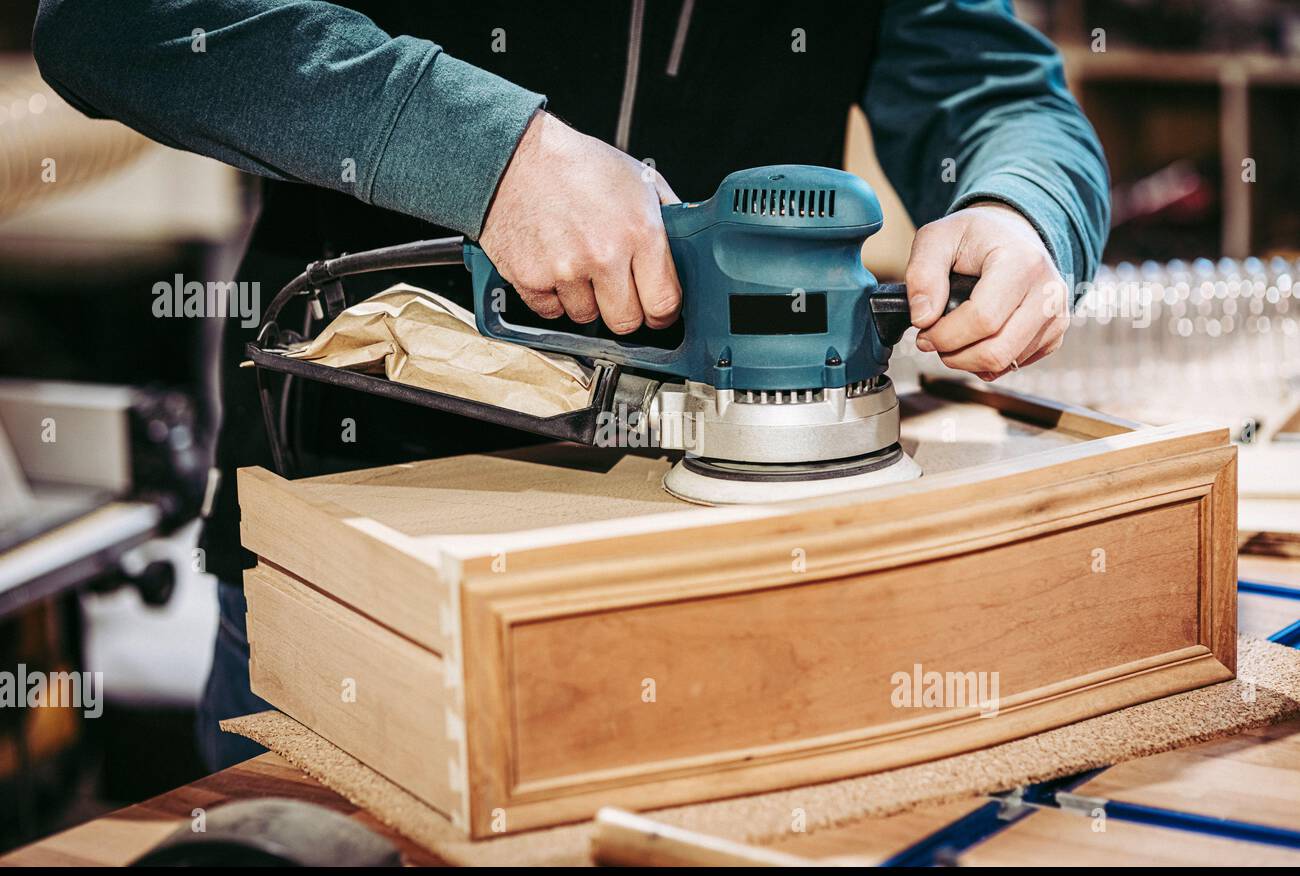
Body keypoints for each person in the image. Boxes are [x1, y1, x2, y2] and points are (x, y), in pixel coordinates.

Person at [32, 0, 1109, 770]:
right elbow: (111, 22)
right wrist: (492, 155)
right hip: (369, 562)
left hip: (732, 571)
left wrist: (1024, 205)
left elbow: (995, 86)